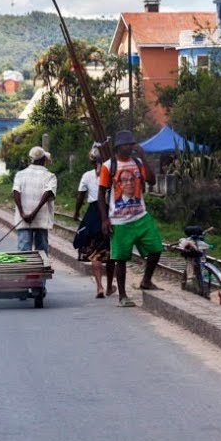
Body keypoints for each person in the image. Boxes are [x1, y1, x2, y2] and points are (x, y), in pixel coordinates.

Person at [98, 130, 162, 308]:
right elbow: (101, 193)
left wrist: (143, 157)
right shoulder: (108, 166)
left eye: (132, 144)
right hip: (119, 221)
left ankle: (146, 281)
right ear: (119, 147)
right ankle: (123, 296)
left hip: (141, 216)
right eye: (127, 144)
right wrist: (104, 219)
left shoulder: (137, 162)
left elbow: (151, 181)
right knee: (121, 259)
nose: (131, 147)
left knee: (156, 248)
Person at [73, 146, 115, 299]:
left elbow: (80, 197)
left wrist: (76, 212)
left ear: (91, 161)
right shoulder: (111, 174)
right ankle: (110, 286)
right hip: (109, 212)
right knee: (111, 252)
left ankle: (99, 287)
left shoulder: (86, 176)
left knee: (96, 253)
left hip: (93, 214)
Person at [12, 146, 57, 252]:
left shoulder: (20, 175)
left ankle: (25, 269)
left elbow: (16, 192)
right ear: (43, 159)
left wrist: (23, 213)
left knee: (24, 251)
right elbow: (48, 193)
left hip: (23, 220)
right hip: (41, 219)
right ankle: (39, 269)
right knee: (41, 251)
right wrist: (34, 212)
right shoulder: (50, 176)